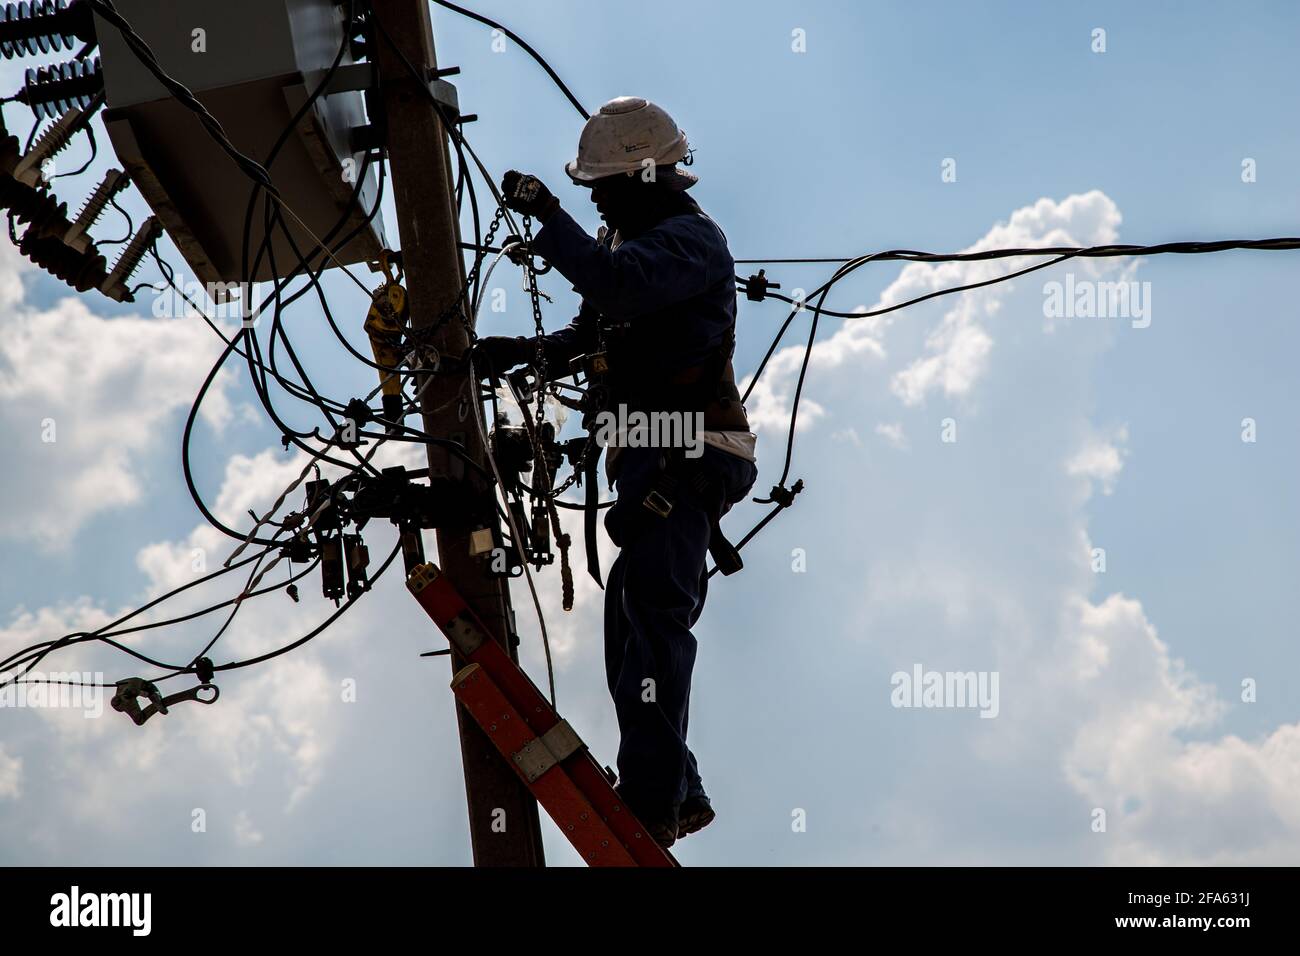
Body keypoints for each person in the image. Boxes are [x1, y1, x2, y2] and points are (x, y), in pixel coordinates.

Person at [476, 97, 757, 847]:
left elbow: (618, 286)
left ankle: (652, 802)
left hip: (690, 457)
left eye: (602, 185)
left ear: (645, 175)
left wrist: (546, 214)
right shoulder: (626, 239)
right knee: (628, 645)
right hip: (649, 461)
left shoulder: (687, 243)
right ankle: (677, 788)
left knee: (654, 630)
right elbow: (591, 326)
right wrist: (516, 353)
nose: (593, 198)